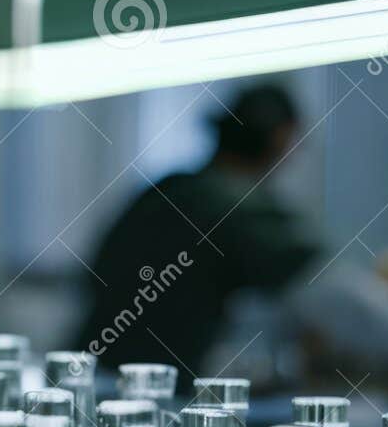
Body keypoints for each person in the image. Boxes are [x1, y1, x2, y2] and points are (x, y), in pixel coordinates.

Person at [75, 83, 321, 377]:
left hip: (96, 370)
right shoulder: (237, 206)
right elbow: (324, 288)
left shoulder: (168, 188)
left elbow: (93, 273)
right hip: (159, 386)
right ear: (280, 138)